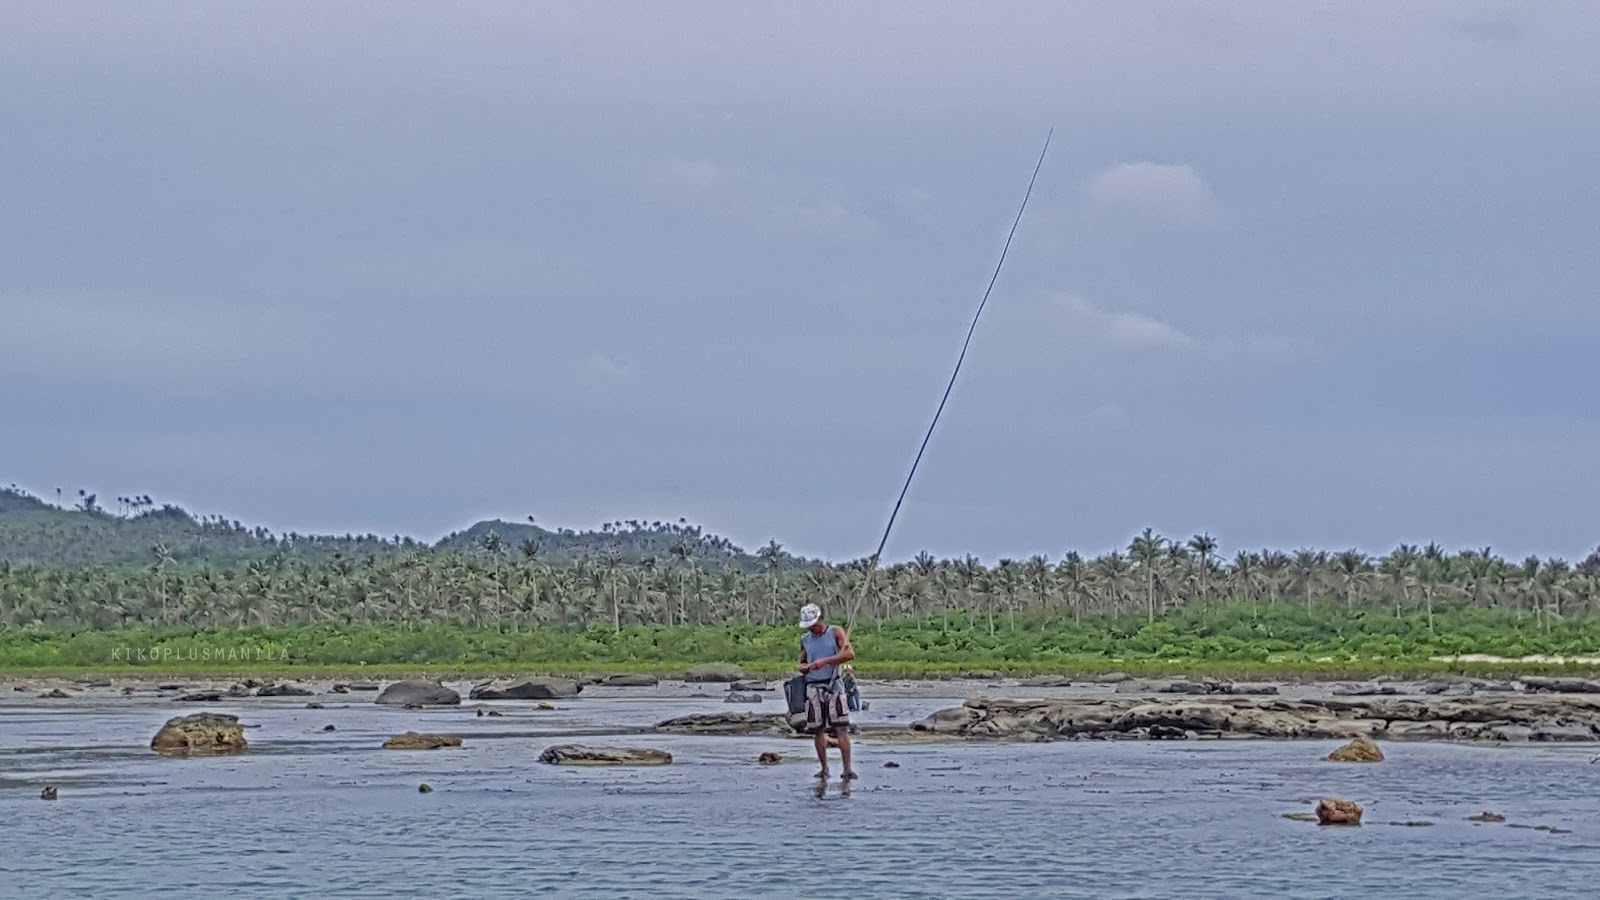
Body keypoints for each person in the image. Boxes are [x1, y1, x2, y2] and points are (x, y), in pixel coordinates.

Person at [797, 602, 855, 780]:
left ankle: (847, 769)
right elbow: (802, 662)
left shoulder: (835, 632)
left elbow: (849, 654)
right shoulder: (805, 639)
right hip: (813, 686)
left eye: (814, 625)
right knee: (817, 730)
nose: (812, 629)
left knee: (841, 728)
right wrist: (805, 667)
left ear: (820, 619)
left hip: (833, 685)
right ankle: (824, 768)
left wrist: (825, 661)